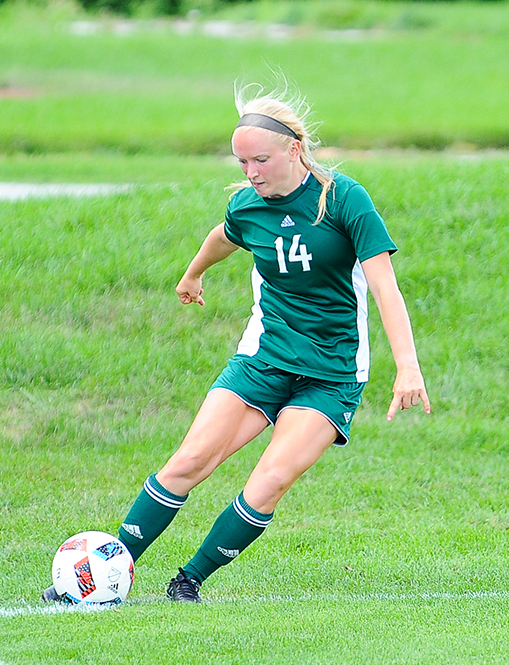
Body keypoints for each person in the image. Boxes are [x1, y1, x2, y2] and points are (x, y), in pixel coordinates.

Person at [43, 80, 430, 603]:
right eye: (242, 162)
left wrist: (407, 365)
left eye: (260, 160)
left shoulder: (344, 199)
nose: (251, 173)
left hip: (331, 374)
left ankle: (189, 581)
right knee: (188, 462)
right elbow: (222, 237)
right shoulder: (248, 206)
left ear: (294, 149)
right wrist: (192, 274)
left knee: (269, 481)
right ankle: (103, 573)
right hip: (263, 359)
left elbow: (385, 286)